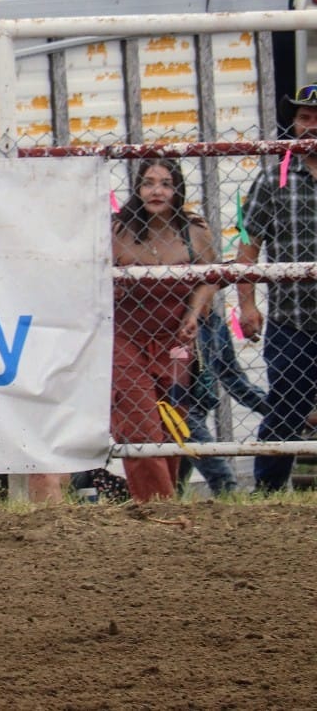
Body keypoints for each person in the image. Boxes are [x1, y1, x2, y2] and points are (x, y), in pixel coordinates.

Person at [110, 157, 217, 502]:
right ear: (138, 189)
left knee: (172, 425)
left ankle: (161, 503)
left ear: (177, 190)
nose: (156, 190)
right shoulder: (117, 230)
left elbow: (210, 278)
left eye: (165, 183)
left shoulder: (194, 230)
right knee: (140, 427)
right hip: (126, 339)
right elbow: (92, 279)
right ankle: (159, 507)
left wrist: (194, 313)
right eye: (148, 183)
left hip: (175, 341)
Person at [235, 82, 317, 493]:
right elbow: (248, 246)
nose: (311, 127)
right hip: (292, 319)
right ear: (293, 125)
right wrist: (247, 306)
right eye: (304, 119)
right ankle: (267, 492)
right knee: (286, 405)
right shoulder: (273, 179)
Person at [171, 301, 270, 496]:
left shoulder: (215, 324)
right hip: (179, 408)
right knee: (222, 477)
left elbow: (232, 377)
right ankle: (235, 510)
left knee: (176, 481)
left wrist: (273, 410)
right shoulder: (181, 323)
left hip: (199, 408)